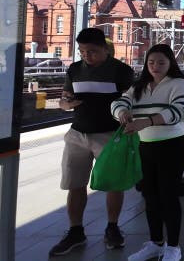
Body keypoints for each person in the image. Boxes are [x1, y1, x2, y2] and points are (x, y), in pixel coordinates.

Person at [50, 28, 135, 256]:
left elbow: (131, 99)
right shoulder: (75, 69)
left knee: (113, 183)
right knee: (74, 183)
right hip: (78, 133)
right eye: (82, 51)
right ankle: (75, 231)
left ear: (105, 50)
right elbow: (65, 98)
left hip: (110, 134)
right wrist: (65, 104)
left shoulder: (121, 71)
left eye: (92, 51)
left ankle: (112, 227)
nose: (87, 56)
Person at [111, 44, 184, 261]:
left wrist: (146, 122)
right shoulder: (139, 87)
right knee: (150, 197)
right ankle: (156, 243)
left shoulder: (179, 84)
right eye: (151, 62)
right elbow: (119, 102)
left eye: (161, 62)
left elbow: (181, 111)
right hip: (144, 147)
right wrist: (122, 113)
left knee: (168, 196)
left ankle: (173, 247)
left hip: (171, 147)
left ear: (171, 64)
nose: (155, 67)